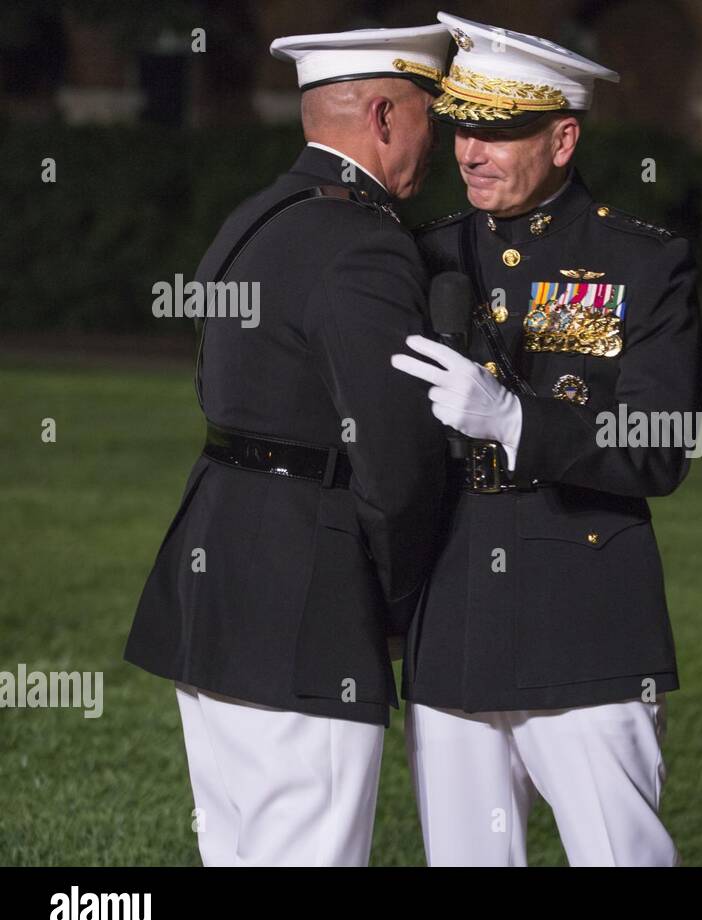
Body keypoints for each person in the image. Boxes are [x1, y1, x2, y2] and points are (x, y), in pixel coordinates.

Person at [124, 24, 451, 866]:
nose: (439, 140)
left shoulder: (256, 216)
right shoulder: (365, 244)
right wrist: (404, 608)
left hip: (218, 583)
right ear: (383, 115)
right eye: (430, 116)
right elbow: (397, 463)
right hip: (306, 602)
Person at [391, 12, 702, 866]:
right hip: (449, 609)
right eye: (462, 126)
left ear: (563, 138)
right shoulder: (422, 258)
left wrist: (516, 420)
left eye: (500, 130)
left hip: (583, 611)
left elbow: (663, 442)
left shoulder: (638, 262)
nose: (470, 151)